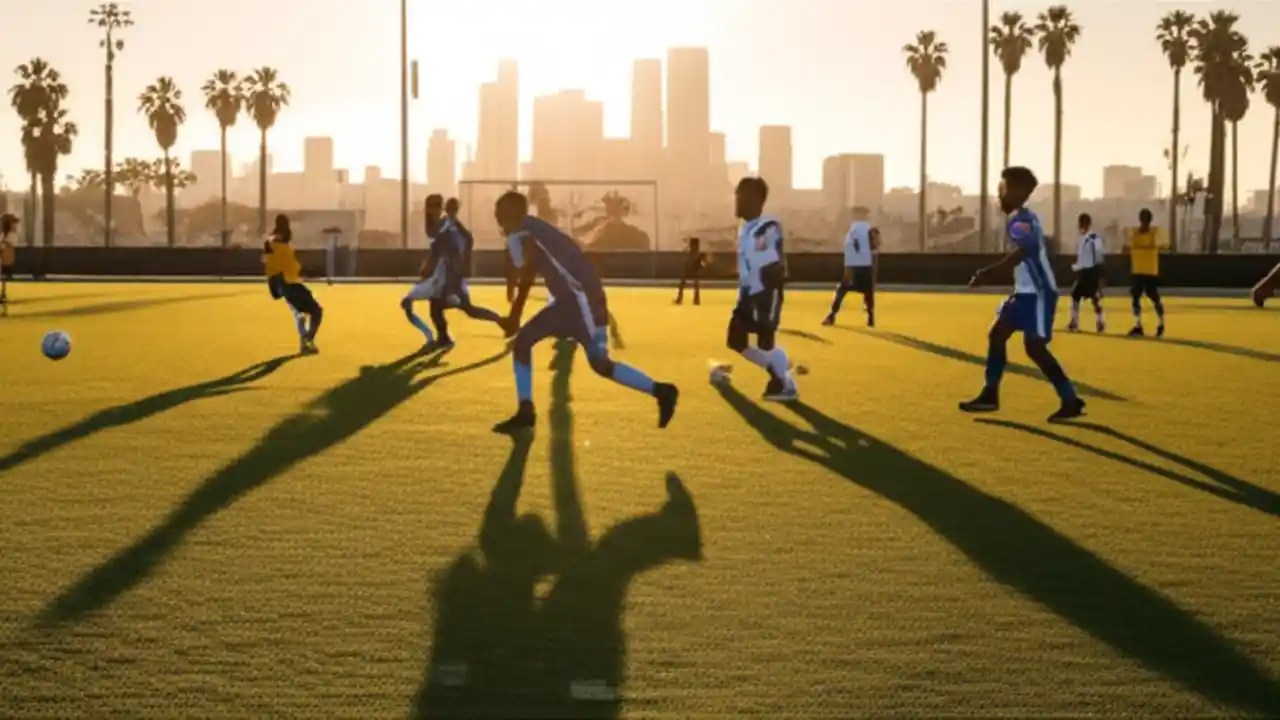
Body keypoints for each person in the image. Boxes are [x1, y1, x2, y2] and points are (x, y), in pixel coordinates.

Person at [491, 190, 678, 433]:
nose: (496, 217)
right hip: (573, 299)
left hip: (579, 300)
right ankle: (526, 411)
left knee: (599, 363)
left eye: (500, 212)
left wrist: (515, 313)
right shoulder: (531, 229)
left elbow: (525, 272)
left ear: (512, 213)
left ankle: (661, 391)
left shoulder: (523, 232)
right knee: (525, 343)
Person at [959, 166, 1084, 422]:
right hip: (1026, 292)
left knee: (1034, 348)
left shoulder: (1021, 221)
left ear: (1018, 192)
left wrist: (987, 273)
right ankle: (990, 395)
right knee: (997, 335)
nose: (999, 195)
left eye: (1002, 189)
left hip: (1037, 295)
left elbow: (1022, 253)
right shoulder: (1023, 218)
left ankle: (1069, 399)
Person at [712, 177, 798, 402]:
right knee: (736, 340)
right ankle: (780, 371)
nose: (736, 201)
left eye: (741, 197)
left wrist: (763, 297)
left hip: (763, 295)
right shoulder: (746, 229)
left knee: (763, 342)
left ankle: (783, 380)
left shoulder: (766, 228)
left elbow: (772, 265)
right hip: (750, 294)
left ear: (756, 200)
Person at [402, 195, 502, 352]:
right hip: (444, 275)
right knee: (439, 308)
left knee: (466, 309)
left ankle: (502, 321)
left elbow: (455, 249)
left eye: (436, 206)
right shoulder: (439, 225)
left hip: (452, 277)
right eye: (430, 206)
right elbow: (438, 251)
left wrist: (452, 282)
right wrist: (428, 269)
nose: (433, 209)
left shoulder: (444, 227)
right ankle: (444, 338)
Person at [263, 214, 323, 354]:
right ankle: (308, 339)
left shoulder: (270, 243)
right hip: (288, 282)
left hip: (281, 283)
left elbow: (269, 263)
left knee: (299, 313)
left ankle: (305, 344)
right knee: (316, 311)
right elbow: (288, 264)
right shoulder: (283, 242)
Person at [823, 207, 878, 327]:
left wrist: (847, 268)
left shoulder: (851, 231)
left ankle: (831, 316)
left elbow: (849, 251)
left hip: (853, 266)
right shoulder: (869, 229)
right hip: (866, 265)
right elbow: (874, 247)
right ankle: (871, 317)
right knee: (868, 292)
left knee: (841, 290)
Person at [1125, 208, 1165, 337]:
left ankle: (1160, 323)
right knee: (1137, 297)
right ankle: (1139, 325)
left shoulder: (1154, 233)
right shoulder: (1136, 233)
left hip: (1148, 270)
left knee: (1153, 297)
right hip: (1139, 270)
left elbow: (1158, 243)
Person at [1068, 212, 1106, 333]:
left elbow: (1099, 257)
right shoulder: (1081, 239)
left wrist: (1100, 276)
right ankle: (1078, 321)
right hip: (1084, 272)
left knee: (1088, 297)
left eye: (1083, 223)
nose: (1081, 226)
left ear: (1088, 224)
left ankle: (1096, 321)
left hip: (1092, 272)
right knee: (1080, 296)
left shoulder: (1094, 238)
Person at [674, 237, 706, 305]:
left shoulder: (695, 254)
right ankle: (695, 300)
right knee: (691, 286)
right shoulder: (693, 253)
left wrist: (700, 267)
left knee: (690, 286)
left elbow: (701, 264)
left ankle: (683, 299)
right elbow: (701, 264)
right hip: (691, 272)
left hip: (691, 272)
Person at [0, 213, 18, 305]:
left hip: (6, 260)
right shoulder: (6, 235)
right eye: (13, 223)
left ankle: (3, 295)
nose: (15, 225)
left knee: (4, 278)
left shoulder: (10, 234)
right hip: (3, 259)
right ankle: (2, 295)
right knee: (3, 277)